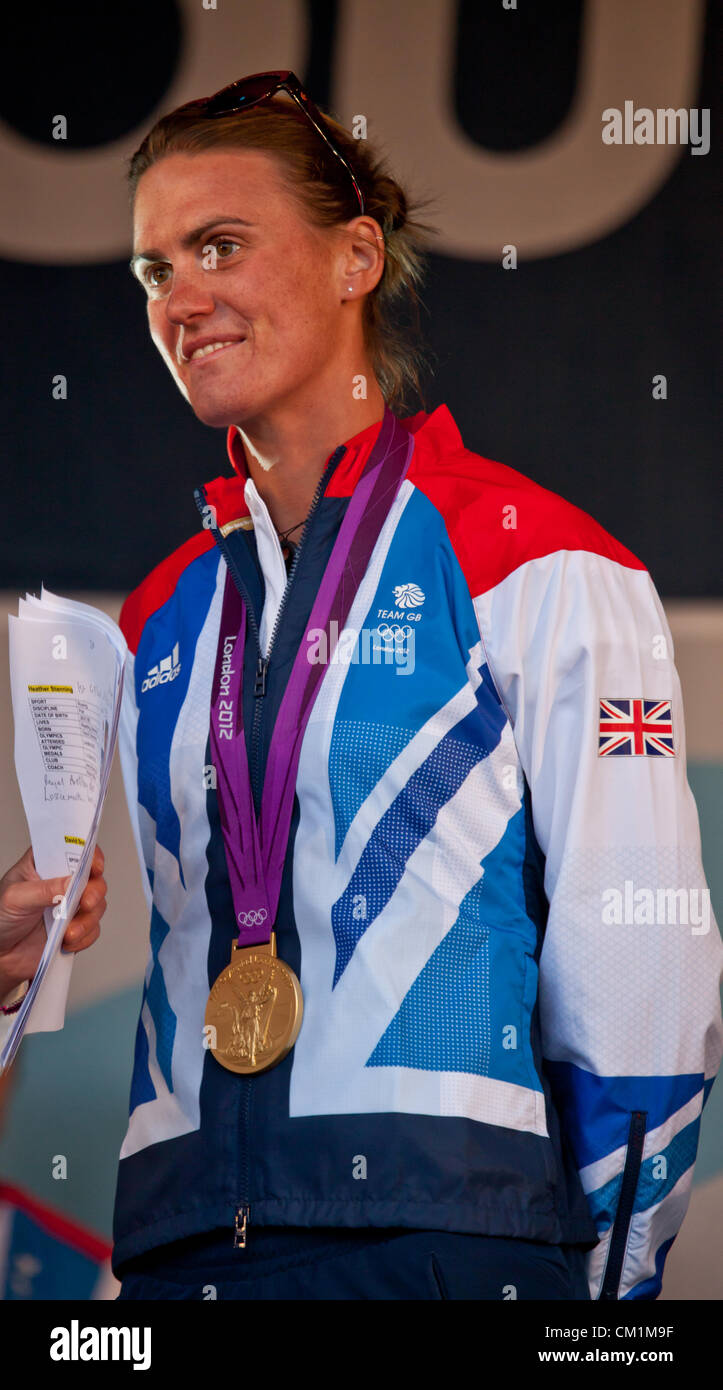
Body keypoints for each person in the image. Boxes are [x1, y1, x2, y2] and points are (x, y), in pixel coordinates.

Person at [54, 71, 723, 1300]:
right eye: (154, 271)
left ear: (357, 256)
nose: (180, 299)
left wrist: (615, 1294)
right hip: (176, 1253)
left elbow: (644, 974)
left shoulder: (540, 559)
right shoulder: (155, 618)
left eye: (220, 246)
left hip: (447, 1247)